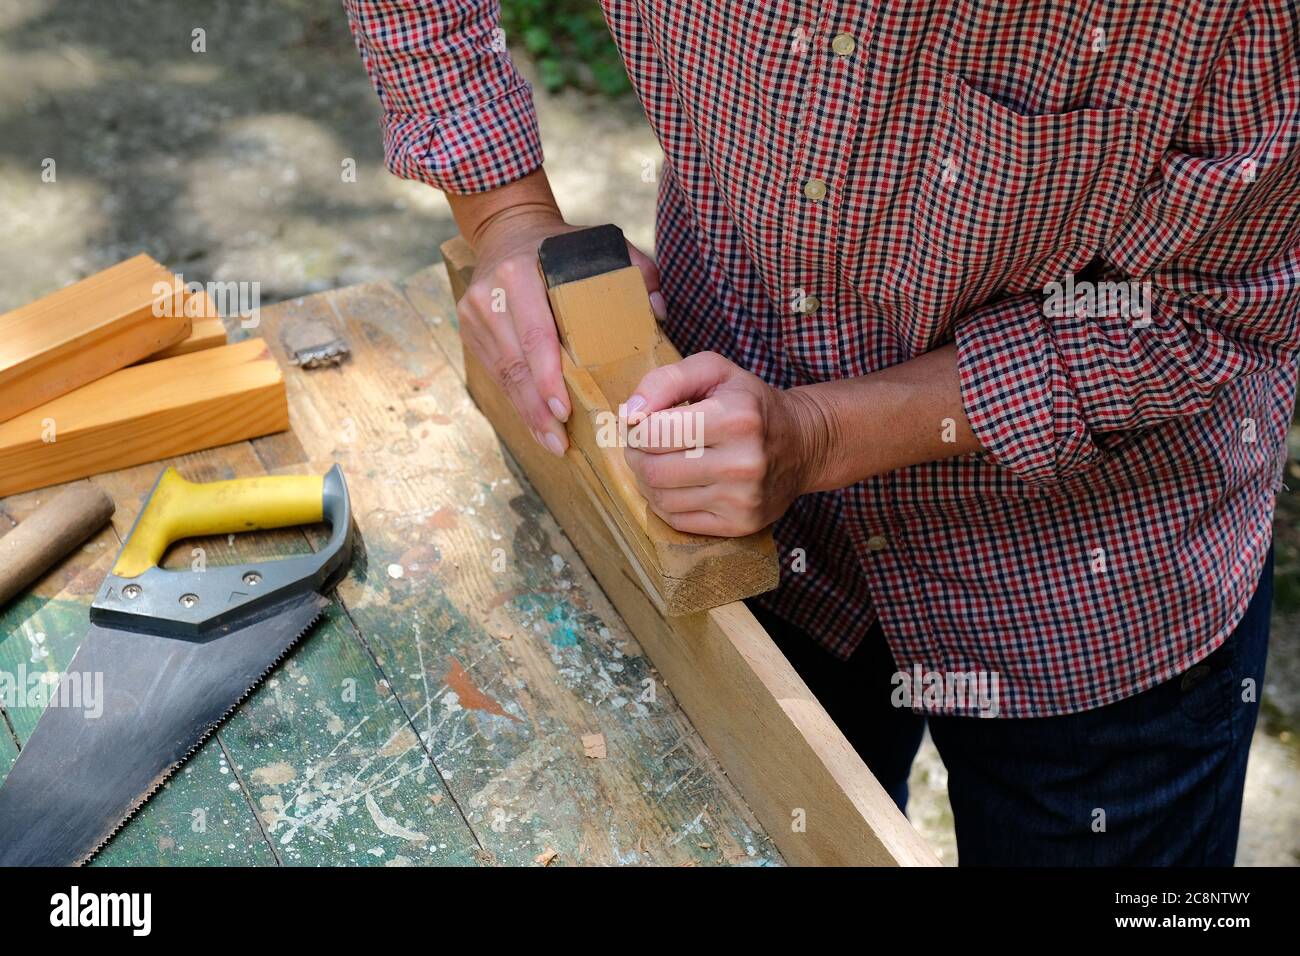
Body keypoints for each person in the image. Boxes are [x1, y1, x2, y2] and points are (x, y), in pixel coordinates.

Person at [342, 1, 1299, 865]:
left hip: (1094, 577)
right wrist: (507, 214)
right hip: (746, 539)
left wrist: (819, 434)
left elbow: (1216, 313)